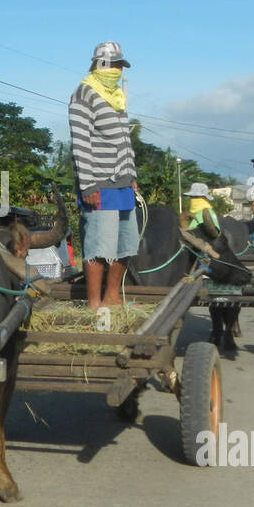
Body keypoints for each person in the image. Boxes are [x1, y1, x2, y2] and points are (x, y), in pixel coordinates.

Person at [69, 42, 138, 310]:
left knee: (124, 243)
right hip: (98, 183)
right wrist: (88, 185)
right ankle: (94, 303)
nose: (119, 71)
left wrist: (131, 174)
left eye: (122, 66)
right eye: (116, 66)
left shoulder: (117, 96)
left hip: (122, 184)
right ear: (101, 65)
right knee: (99, 246)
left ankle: (112, 296)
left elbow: (124, 140)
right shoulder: (84, 94)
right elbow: (80, 143)